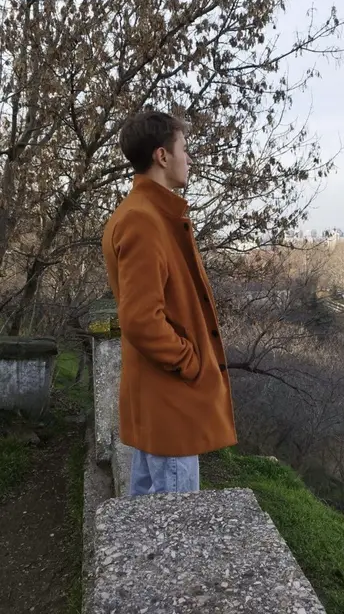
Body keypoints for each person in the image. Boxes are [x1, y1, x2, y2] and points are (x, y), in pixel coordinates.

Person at [102, 110, 237, 495]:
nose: (189, 158)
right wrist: (191, 362)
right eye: (184, 148)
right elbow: (141, 319)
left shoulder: (146, 213)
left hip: (159, 398)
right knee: (175, 521)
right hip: (169, 401)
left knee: (144, 517)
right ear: (162, 156)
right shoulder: (143, 220)